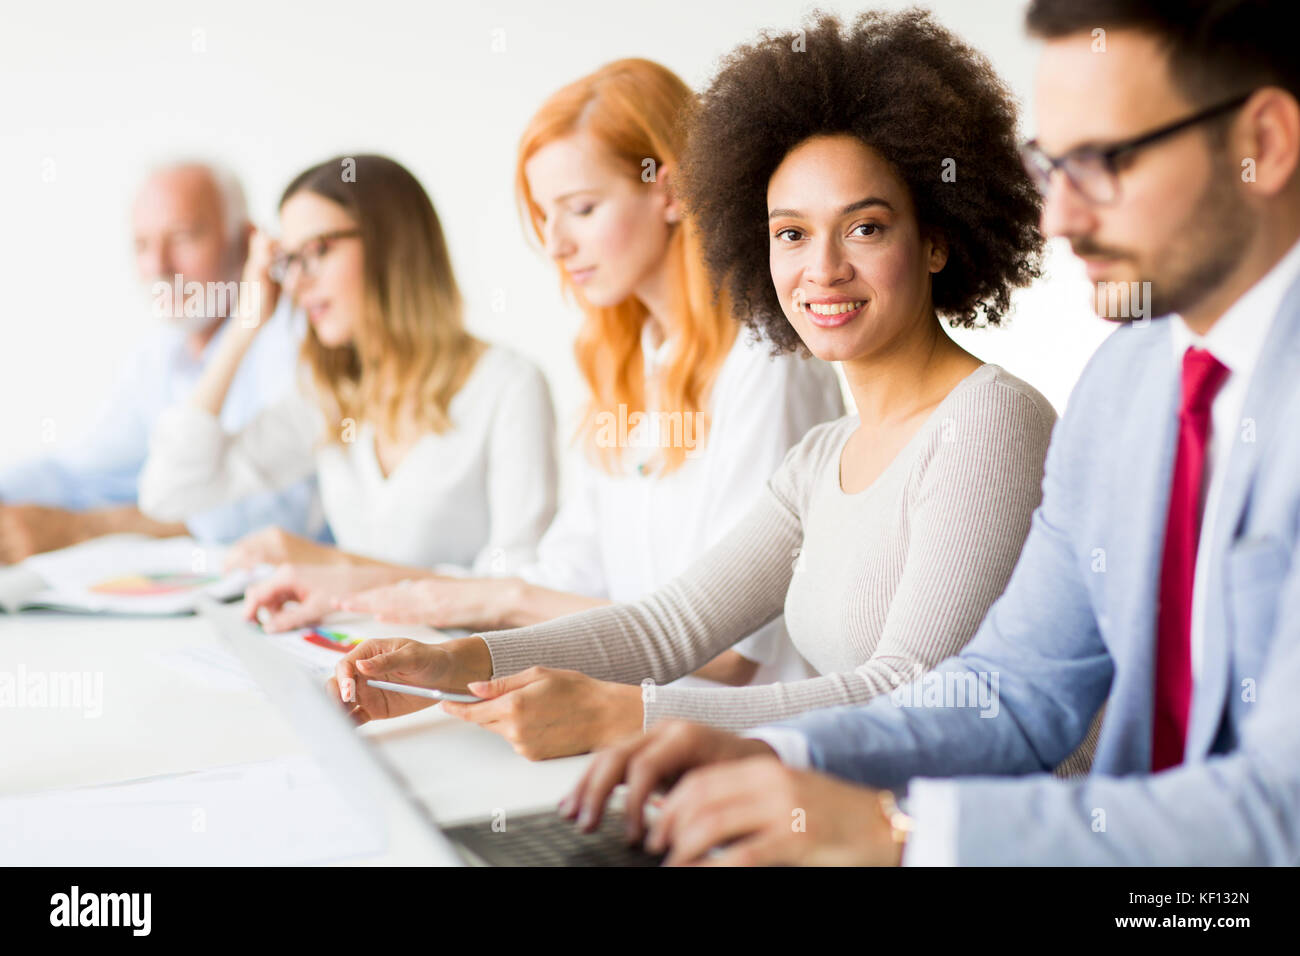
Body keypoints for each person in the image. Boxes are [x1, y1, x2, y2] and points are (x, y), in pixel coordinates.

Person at [563, 0, 1300, 867]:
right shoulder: (1126, 382)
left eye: (1104, 160)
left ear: (1267, 142)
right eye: (1051, 165)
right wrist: (778, 755)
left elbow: (1277, 813)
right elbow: (1013, 690)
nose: (1060, 217)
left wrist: (897, 835)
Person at [329, 17, 1096, 770]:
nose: (821, 268)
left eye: (864, 227)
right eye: (790, 233)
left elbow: (909, 692)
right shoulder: (823, 457)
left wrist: (630, 715)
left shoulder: (988, 420)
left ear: (936, 239)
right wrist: (451, 666)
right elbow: (671, 626)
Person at [315, 59, 843, 692]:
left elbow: (729, 651)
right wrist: (383, 597)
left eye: (581, 209)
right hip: (632, 722)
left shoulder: (768, 358)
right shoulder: (632, 360)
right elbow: (569, 572)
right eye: (545, 217)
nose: (556, 245)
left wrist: (501, 602)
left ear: (670, 192)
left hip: (738, 746)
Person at [138, 155, 557, 599]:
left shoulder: (508, 387)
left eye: (318, 251)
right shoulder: (330, 396)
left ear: (392, 245)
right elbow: (170, 492)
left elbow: (522, 591)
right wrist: (245, 325)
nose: (298, 283)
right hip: (353, 658)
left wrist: (339, 566)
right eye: (289, 261)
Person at [0, 161, 321, 564]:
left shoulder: (299, 339)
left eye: (183, 238)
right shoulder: (160, 357)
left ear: (248, 242)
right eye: (142, 245)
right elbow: (82, 472)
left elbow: (266, 518)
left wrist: (79, 529)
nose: (159, 267)